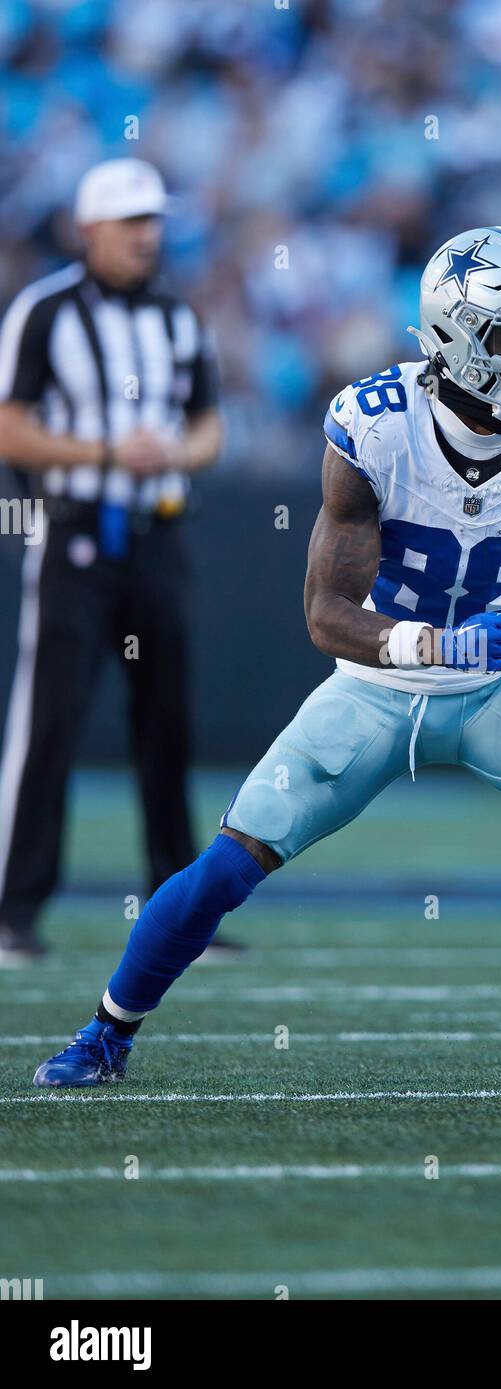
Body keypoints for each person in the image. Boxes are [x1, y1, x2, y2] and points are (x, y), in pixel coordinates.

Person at [31, 225, 501, 1086]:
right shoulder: (378, 425)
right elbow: (325, 614)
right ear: (457, 339)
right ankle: (108, 1032)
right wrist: (434, 642)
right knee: (223, 871)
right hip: (379, 685)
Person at [0, 158, 226, 965]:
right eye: (131, 222)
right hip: (74, 535)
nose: (147, 236)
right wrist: (104, 450)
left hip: (159, 535)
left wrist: (172, 454)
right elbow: (8, 427)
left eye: (154, 220)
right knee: (49, 721)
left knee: (167, 724)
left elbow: (209, 425)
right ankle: (14, 909)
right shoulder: (46, 311)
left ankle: (180, 912)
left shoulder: (177, 316)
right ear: (89, 229)